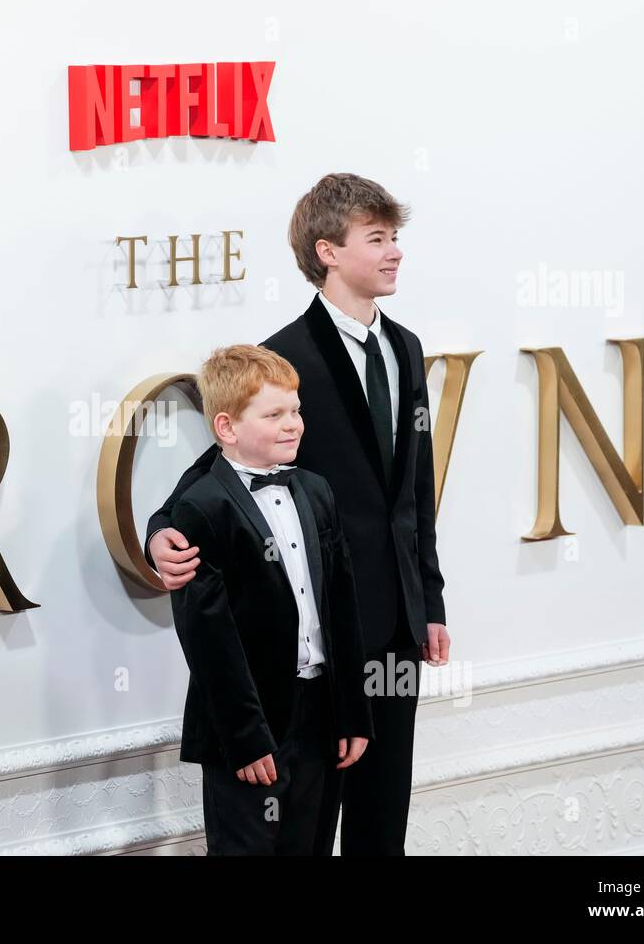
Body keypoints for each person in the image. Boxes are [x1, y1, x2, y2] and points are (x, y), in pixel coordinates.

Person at [148, 173, 451, 855]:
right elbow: (218, 471)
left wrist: (429, 599)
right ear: (328, 252)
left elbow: (415, 489)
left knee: (382, 819)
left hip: (397, 623)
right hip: (329, 636)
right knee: (311, 822)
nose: (395, 251)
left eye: (395, 237)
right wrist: (160, 532)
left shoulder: (405, 347)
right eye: (377, 238)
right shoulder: (285, 354)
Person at [168, 344, 374, 855]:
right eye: (274, 414)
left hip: (320, 716)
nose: (294, 424)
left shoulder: (316, 490)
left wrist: (352, 712)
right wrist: (246, 738)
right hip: (249, 725)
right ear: (227, 428)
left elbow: (343, 611)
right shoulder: (201, 508)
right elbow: (207, 638)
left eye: (296, 410)